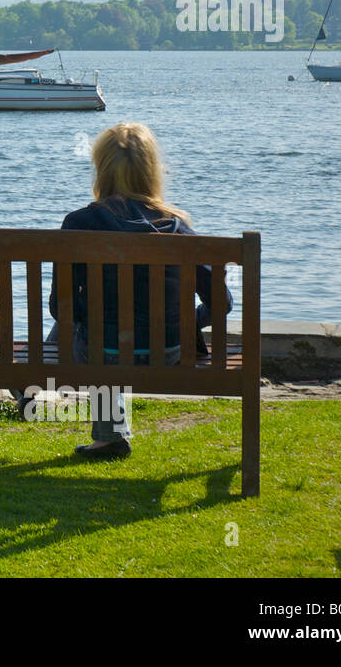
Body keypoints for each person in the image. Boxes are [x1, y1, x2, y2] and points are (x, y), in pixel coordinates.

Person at [49, 122, 231, 460]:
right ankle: (109, 438)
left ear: (101, 171)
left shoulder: (78, 224)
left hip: (103, 352)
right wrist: (190, 321)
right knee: (105, 331)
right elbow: (221, 303)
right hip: (170, 352)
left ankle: (105, 435)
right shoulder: (179, 229)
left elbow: (62, 309)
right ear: (151, 171)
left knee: (94, 332)